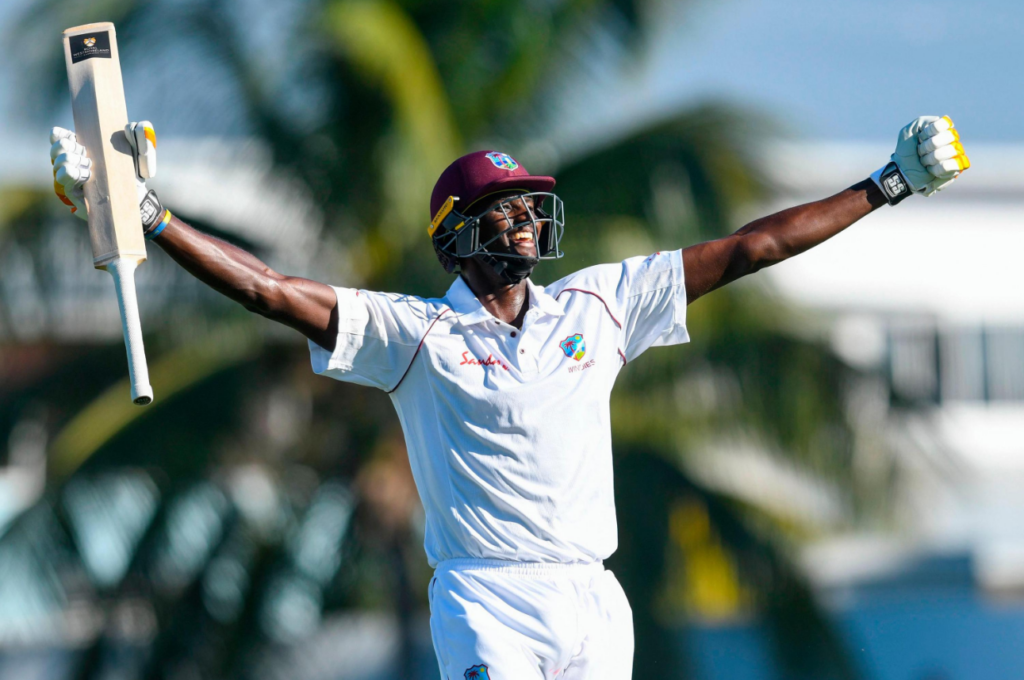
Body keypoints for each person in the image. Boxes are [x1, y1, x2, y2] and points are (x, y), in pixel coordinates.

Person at [50, 116, 968, 679]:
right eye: (507, 208)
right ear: (458, 237)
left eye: (531, 206)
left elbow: (749, 249)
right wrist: (149, 215)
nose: (528, 218)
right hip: (485, 597)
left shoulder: (599, 304)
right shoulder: (416, 335)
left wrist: (888, 184)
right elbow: (271, 288)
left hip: (592, 596)